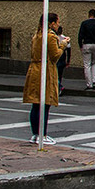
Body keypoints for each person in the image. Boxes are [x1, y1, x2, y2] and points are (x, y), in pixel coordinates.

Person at [23, 12, 68, 145]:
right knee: (45, 104)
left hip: (35, 69)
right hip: (46, 70)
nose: (58, 24)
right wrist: (63, 44)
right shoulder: (50, 36)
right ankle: (42, 134)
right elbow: (55, 55)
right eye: (57, 22)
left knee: (36, 104)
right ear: (52, 23)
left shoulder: (37, 35)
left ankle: (36, 134)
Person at [77, 9, 95, 90]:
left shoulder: (84, 23)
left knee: (87, 64)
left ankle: (89, 84)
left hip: (87, 44)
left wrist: (80, 45)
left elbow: (80, 35)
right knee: (93, 63)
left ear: (88, 14)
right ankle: (94, 81)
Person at [53, 25, 71, 94]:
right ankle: (59, 86)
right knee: (59, 74)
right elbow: (69, 50)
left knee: (55, 74)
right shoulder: (65, 39)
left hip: (58, 57)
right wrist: (68, 61)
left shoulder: (55, 38)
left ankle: (59, 86)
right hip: (62, 57)